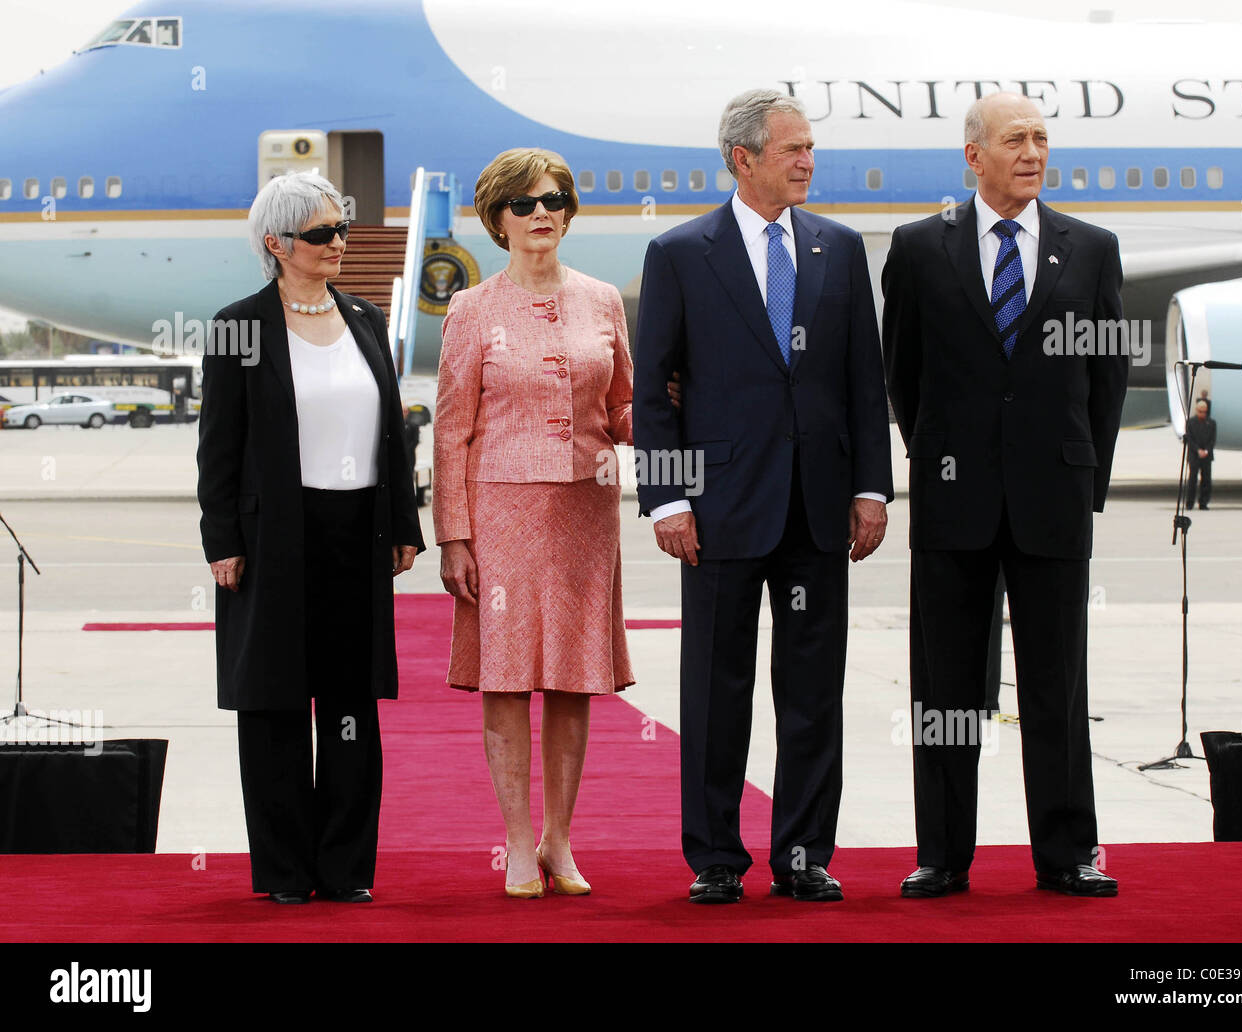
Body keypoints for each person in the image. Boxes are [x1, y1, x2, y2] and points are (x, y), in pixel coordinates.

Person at [634, 89, 893, 904]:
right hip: (718, 513)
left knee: (813, 691)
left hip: (818, 511)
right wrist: (667, 501)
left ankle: (805, 853)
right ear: (742, 159)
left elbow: (863, 380)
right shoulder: (681, 254)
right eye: (793, 150)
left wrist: (871, 488)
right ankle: (715, 856)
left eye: (811, 149)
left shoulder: (839, 249)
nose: (808, 162)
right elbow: (655, 393)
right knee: (716, 692)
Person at [882, 93, 1128, 898]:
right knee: (945, 690)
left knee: (1058, 687)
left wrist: (1079, 465)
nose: (1033, 152)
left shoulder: (1091, 248)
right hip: (955, 502)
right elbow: (902, 371)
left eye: (1041, 139)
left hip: (1053, 497)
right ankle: (942, 855)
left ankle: (1067, 854)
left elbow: (1106, 376)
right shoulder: (920, 248)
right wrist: (939, 456)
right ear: (972, 156)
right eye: (1016, 139)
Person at [197, 171, 425, 904]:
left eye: (341, 230)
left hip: (357, 533)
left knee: (351, 705)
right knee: (275, 703)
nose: (339, 244)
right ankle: (287, 872)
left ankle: (346, 868)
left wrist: (402, 525)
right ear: (277, 243)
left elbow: (394, 435)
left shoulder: (363, 316)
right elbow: (218, 448)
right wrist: (221, 540)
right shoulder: (240, 325)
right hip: (273, 537)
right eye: (322, 233)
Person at [433, 148, 634, 899]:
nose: (540, 213)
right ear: (497, 220)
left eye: (553, 199)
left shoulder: (604, 299)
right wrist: (454, 534)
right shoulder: (471, 309)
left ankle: (561, 841)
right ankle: (518, 842)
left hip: (586, 507)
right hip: (501, 509)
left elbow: (621, 405)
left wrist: (668, 413)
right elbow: (450, 430)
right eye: (522, 204)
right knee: (509, 681)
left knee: (575, 681)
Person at [1185, 399, 1216, 509]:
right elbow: (1190, 439)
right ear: (1196, 410)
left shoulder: (1211, 423)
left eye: (1204, 412)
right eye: (1200, 411)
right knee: (1192, 480)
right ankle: (1190, 502)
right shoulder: (1190, 422)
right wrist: (1198, 450)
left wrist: (1206, 451)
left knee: (1206, 480)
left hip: (1206, 456)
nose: (1202, 414)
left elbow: (1212, 440)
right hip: (1194, 455)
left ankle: (1203, 502)